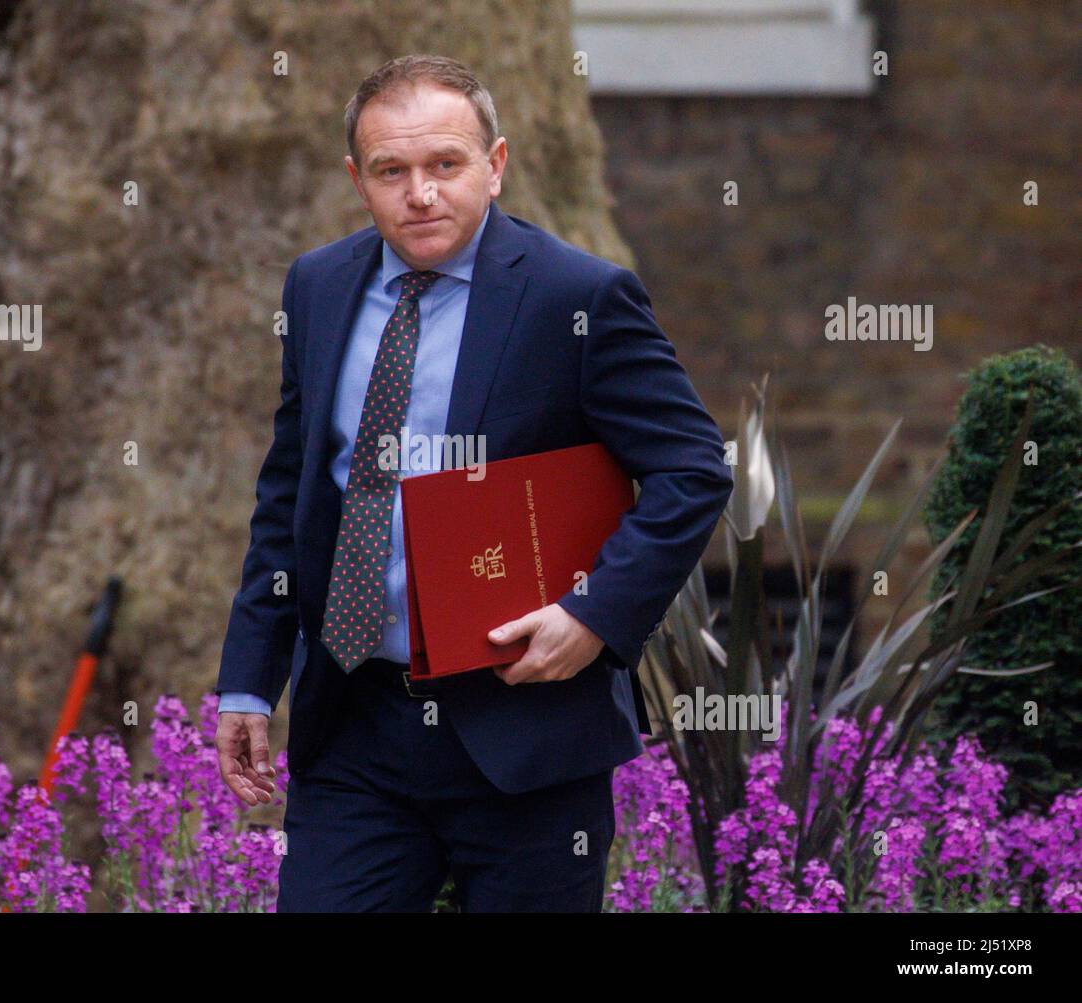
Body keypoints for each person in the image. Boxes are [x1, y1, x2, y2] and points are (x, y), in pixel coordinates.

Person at [214, 54, 732, 912]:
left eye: (446, 165)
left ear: (495, 166)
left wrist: (593, 614)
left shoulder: (578, 296)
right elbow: (290, 494)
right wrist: (248, 679)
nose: (421, 193)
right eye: (393, 171)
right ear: (359, 180)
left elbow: (691, 466)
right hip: (356, 728)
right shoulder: (317, 287)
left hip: (526, 728)